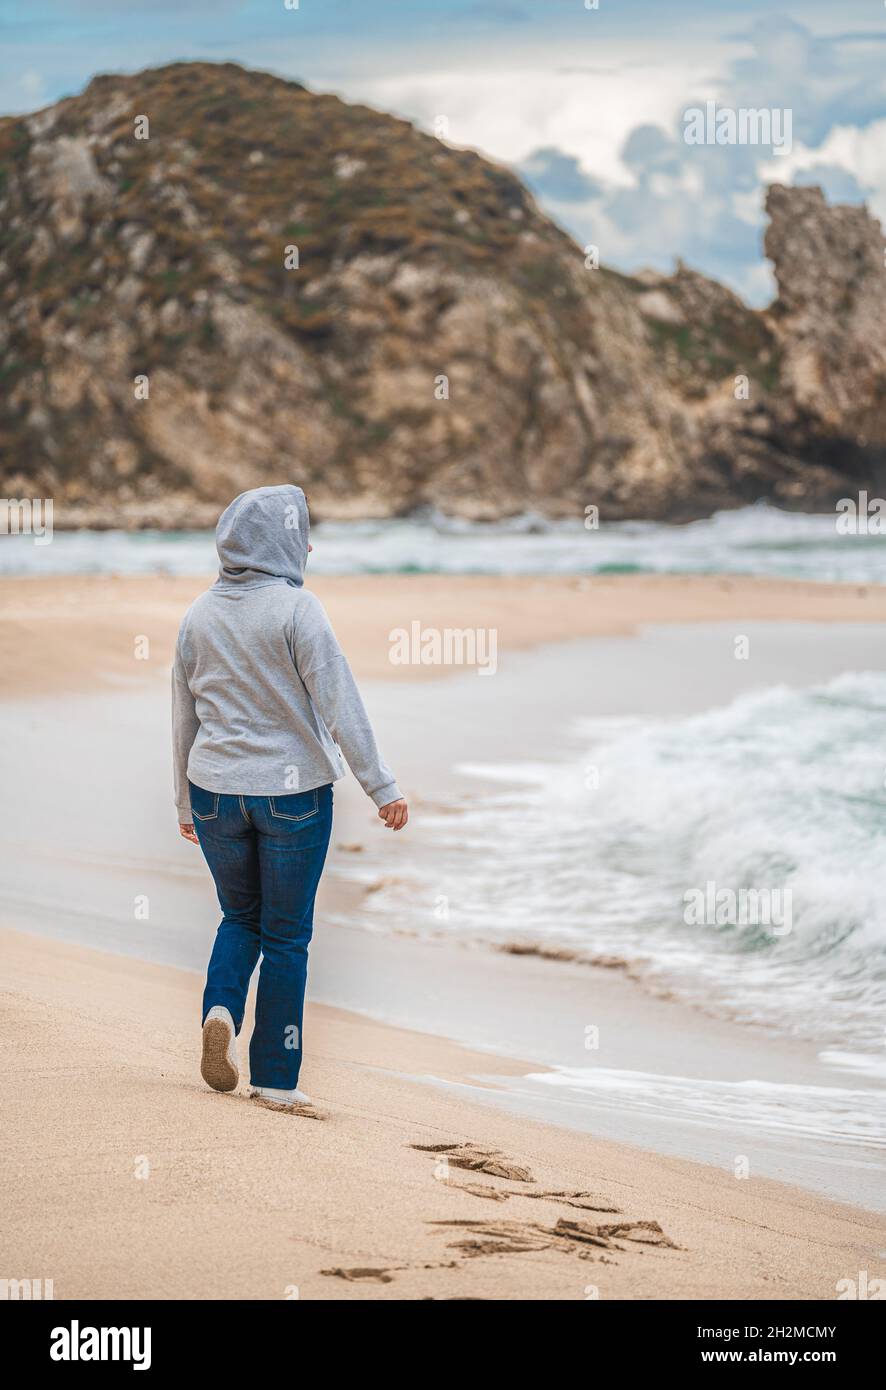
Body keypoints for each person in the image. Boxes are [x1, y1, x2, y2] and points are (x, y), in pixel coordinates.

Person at [172, 484, 407, 1108]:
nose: (307, 544)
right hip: (290, 796)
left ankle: (220, 1011)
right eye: (299, 533)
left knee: (238, 917)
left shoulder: (198, 614)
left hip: (214, 792)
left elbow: (183, 717)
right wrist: (380, 785)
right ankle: (274, 1079)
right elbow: (340, 705)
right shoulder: (299, 611)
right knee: (285, 936)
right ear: (279, 542)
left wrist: (181, 802)